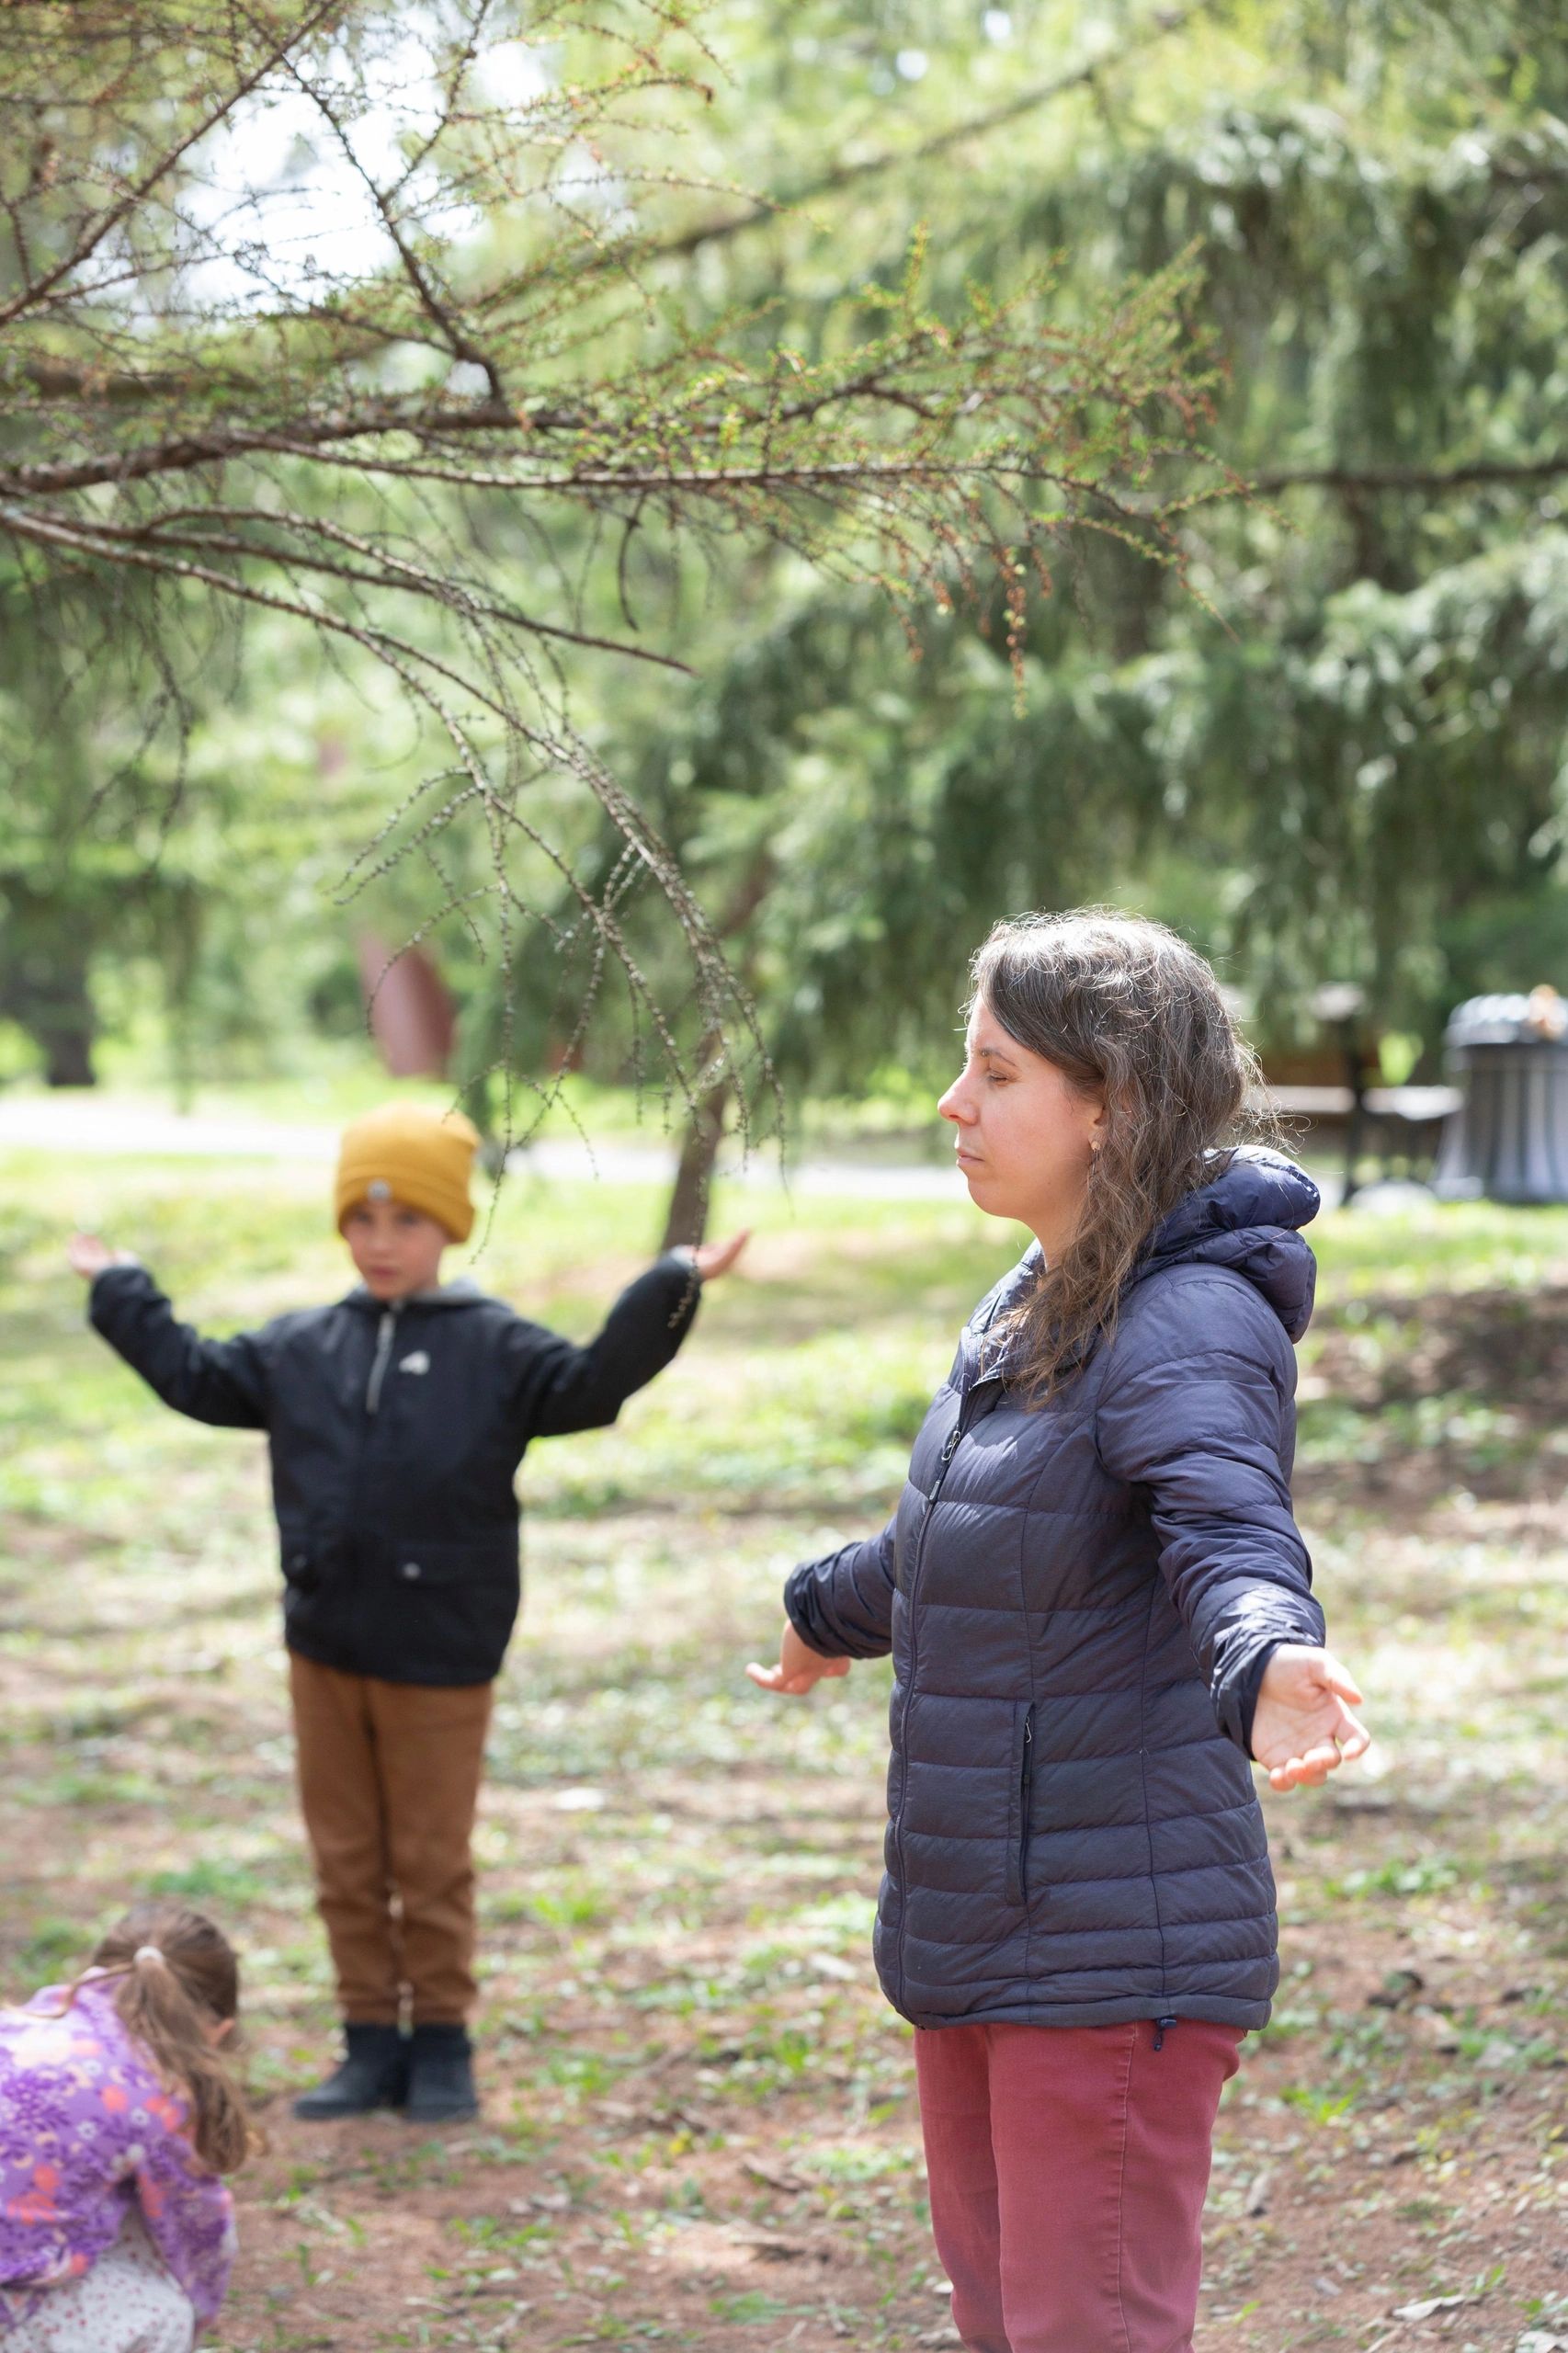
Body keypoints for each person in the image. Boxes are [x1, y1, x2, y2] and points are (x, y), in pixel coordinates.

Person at [748, 911, 1369, 2353]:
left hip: (1107, 1950)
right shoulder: (1037, 1296)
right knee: (1002, 2324)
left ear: (1109, 1104)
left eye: (996, 1072)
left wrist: (1266, 1652)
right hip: (983, 1921)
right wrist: (819, 1611)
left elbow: (1223, 1523)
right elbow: (969, 1543)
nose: (951, 1104)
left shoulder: (1188, 1317)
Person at [70, 1101, 747, 2127]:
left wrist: (670, 1285)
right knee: (346, 1861)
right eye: (363, 1220)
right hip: (325, 1646)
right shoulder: (302, 1346)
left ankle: (439, 2042)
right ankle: (366, 2043)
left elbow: (589, 1385)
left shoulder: (494, 1348)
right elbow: (195, 1376)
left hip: (441, 1653)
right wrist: (123, 1287)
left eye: (407, 1221)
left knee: (429, 1863)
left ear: (449, 1227)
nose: (382, 1242)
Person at [0, 1903, 247, 2352]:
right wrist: (200, 2315)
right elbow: (198, 2232)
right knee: (165, 2310)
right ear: (218, 2029)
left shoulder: (19, 2026)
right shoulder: (158, 2092)